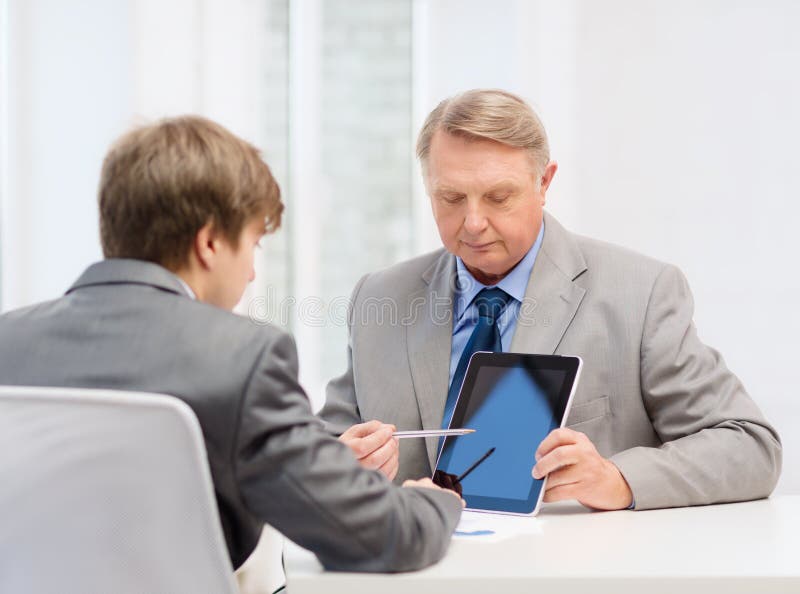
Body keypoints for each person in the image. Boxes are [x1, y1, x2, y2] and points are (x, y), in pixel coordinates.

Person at [0, 116, 462, 572]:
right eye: (253, 244)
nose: (252, 272)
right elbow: (382, 537)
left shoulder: (9, 342)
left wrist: (315, 460)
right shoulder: (242, 359)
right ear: (209, 245)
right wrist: (431, 501)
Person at [320, 89, 782, 511]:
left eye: (499, 196)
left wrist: (617, 478)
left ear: (544, 183)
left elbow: (749, 446)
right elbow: (313, 454)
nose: (473, 221)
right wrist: (339, 467)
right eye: (451, 197)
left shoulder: (641, 293)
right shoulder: (378, 299)